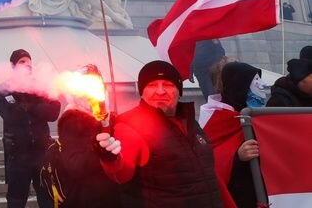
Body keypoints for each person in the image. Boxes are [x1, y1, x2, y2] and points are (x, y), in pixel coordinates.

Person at [96, 60, 222, 207]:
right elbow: (122, 173)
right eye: (152, 85)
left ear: (179, 91)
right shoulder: (131, 124)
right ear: (142, 92)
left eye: (168, 85)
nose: (160, 91)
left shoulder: (189, 121)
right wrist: (111, 158)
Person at [0, 49, 60, 208]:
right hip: (18, 156)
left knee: (47, 198)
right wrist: (35, 108)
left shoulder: (40, 86)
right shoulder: (4, 89)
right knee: (16, 200)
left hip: (41, 153)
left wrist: (30, 107)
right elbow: (11, 115)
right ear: (13, 66)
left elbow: (53, 112)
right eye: (22, 62)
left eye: (29, 62)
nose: (27, 65)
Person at [200, 62, 264, 208]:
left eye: (260, 81)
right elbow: (209, 162)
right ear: (240, 86)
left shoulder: (258, 117)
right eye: (255, 82)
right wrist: (237, 157)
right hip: (236, 196)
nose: (262, 86)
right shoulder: (217, 119)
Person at [41, 107, 122, 208]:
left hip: (99, 195)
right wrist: (99, 152)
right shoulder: (73, 124)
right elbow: (75, 165)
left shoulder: (100, 119)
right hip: (83, 198)